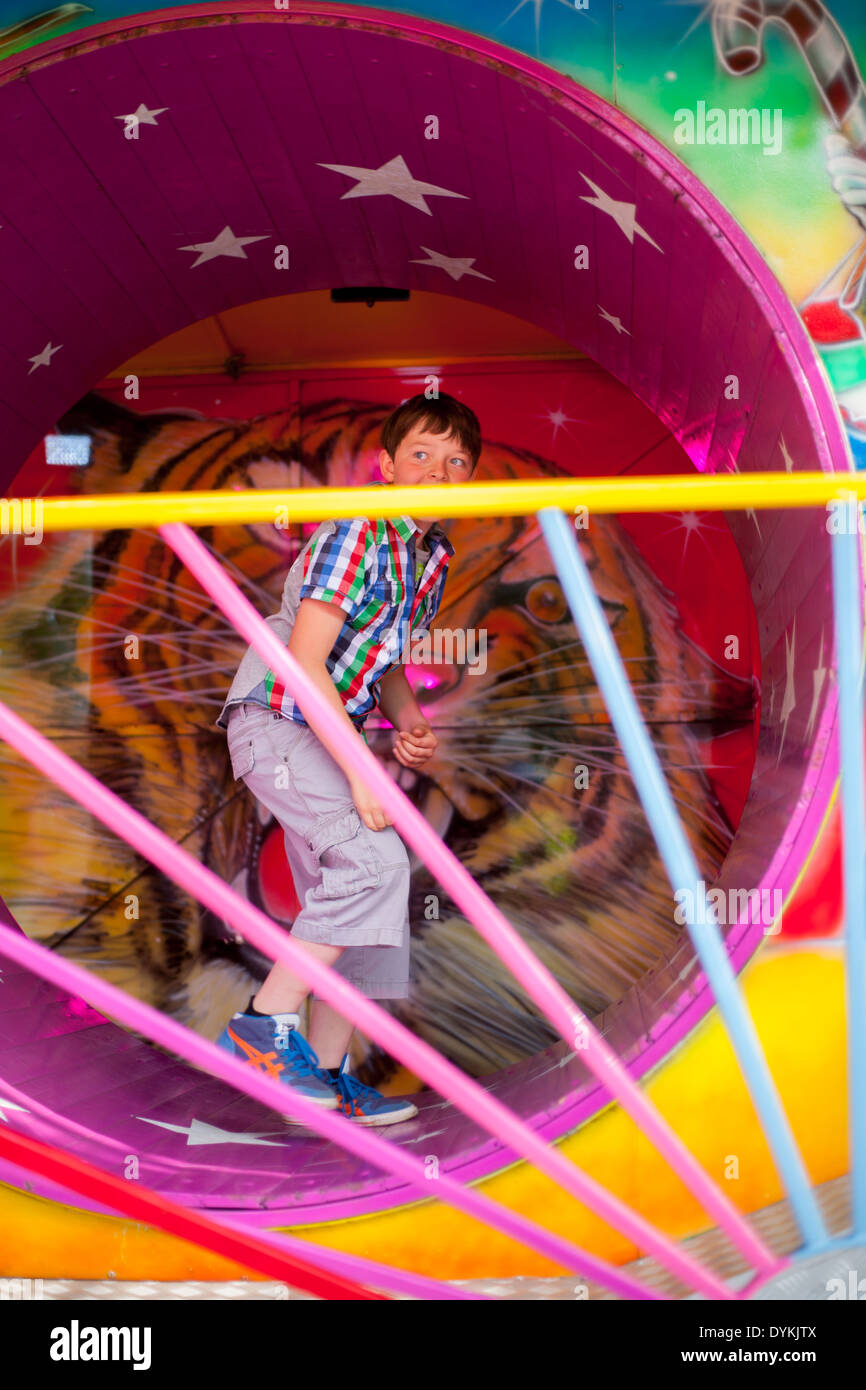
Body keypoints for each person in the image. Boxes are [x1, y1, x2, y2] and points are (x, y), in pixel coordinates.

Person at [214, 392, 482, 1125]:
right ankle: (261, 1030)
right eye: (422, 456)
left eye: (457, 463)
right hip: (276, 721)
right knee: (376, 866)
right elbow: (303, 661)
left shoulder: (431, 556)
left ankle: (328, 1080)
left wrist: (406, 720)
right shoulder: (357, 532)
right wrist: (365, 771)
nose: (439, 472)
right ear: (389, 467)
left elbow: (384, 660)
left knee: (370, 898)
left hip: (330, 730)